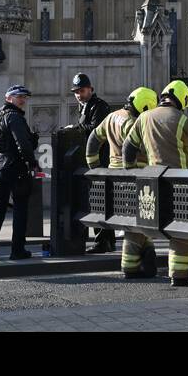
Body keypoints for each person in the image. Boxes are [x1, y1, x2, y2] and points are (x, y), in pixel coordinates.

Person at [123, 80, 188, 287]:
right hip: (183, 184)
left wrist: (131, 170)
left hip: (154, 182)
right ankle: (178, 275)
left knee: (161, 225)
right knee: (182, 228)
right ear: (183, 99)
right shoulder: (181, 119)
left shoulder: (143, 118)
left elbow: (128, 146)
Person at [88, 87, 159, 278]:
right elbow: (135, 147)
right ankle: (130, 264)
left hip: (114, 177)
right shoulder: (133, 122)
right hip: (134, 176)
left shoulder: (112, 116)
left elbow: (93, 139)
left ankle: (146, 252)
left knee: (136, 220)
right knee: (139, 219)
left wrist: (94, 168)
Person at [0, 85, 40, 261]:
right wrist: (33, 163)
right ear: (9, 98)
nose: (22, 100)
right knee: (20, 209)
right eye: (18, 97)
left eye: (24, 97)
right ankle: (17, 250)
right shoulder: (14, 117)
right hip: (14, 168)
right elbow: (22, 143)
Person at [72, 72, 114, 251]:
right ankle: (108, 241)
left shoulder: (99, 106)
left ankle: (102, 242)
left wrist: (76, 128)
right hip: (92, 161)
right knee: (99, 201)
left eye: (81, 90)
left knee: (99, 202)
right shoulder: (84, 106)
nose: (78, 94)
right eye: (76, 91)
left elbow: (97, 131)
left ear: (91, 89)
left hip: (100, 161)